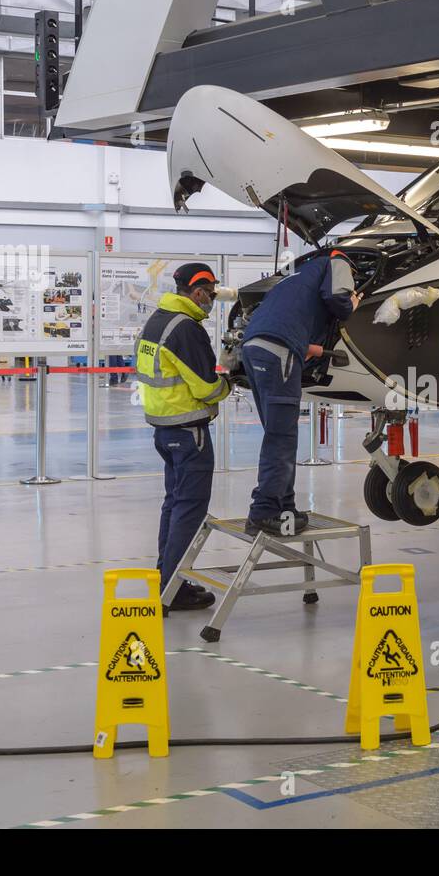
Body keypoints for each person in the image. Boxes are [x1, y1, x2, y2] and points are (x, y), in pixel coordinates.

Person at [240, 249, 360, 535]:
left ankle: (284, 507)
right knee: (281, 436)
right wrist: (351, 305)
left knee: (277, 432)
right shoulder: (339, 261)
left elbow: (293, 319)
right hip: (278, 350)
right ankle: (264, 510)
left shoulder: (296, 277)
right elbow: (337, 298)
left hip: (254, 346)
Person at [135, 262, 230, 611]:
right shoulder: (187, 330)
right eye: (211, 293)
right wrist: (230, 380)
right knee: (189, 511)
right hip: (190, 431)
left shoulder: (157, 321)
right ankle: (173, 589)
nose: (213, 299)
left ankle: (165, 578)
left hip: (163, 430)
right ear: (198, 291)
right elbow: (207, 388)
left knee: (174, 506)